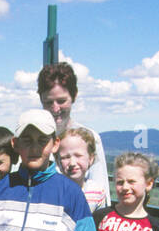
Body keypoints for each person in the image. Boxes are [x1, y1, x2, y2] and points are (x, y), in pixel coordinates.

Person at [38, 61, 109, 207]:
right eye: (48, 102)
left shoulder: (89, 137)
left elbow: (101, 190)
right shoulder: (33, 139)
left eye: (61, 101)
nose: (55, 108)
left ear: (74, 96)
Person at [56, 127, 106, 211]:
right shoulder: (54, 191)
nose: (72, 163)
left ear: (90, 158)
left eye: (78, 156)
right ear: (58, 161)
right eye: (65, 157)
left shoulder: (97, 193)